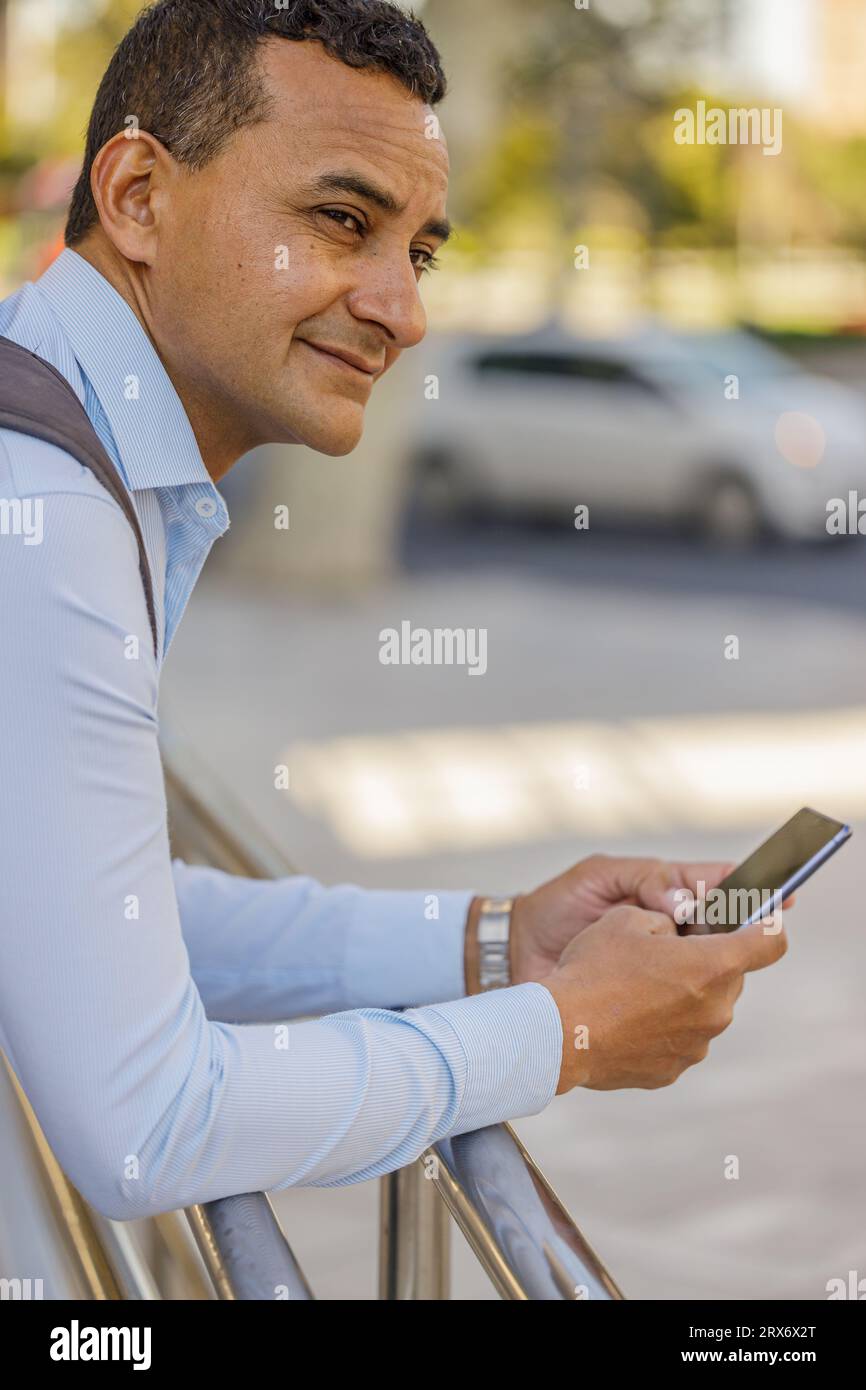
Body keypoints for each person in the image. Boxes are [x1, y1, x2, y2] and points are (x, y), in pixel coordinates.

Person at [0, 0, 786, 1222]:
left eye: (415, 252)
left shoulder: (68, 457)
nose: (400, 311)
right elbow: (150, 1123)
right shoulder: (41, 516)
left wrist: (493, 943)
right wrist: (564, 1030)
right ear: (139, 194)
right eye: (340, 220)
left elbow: (99, 907)